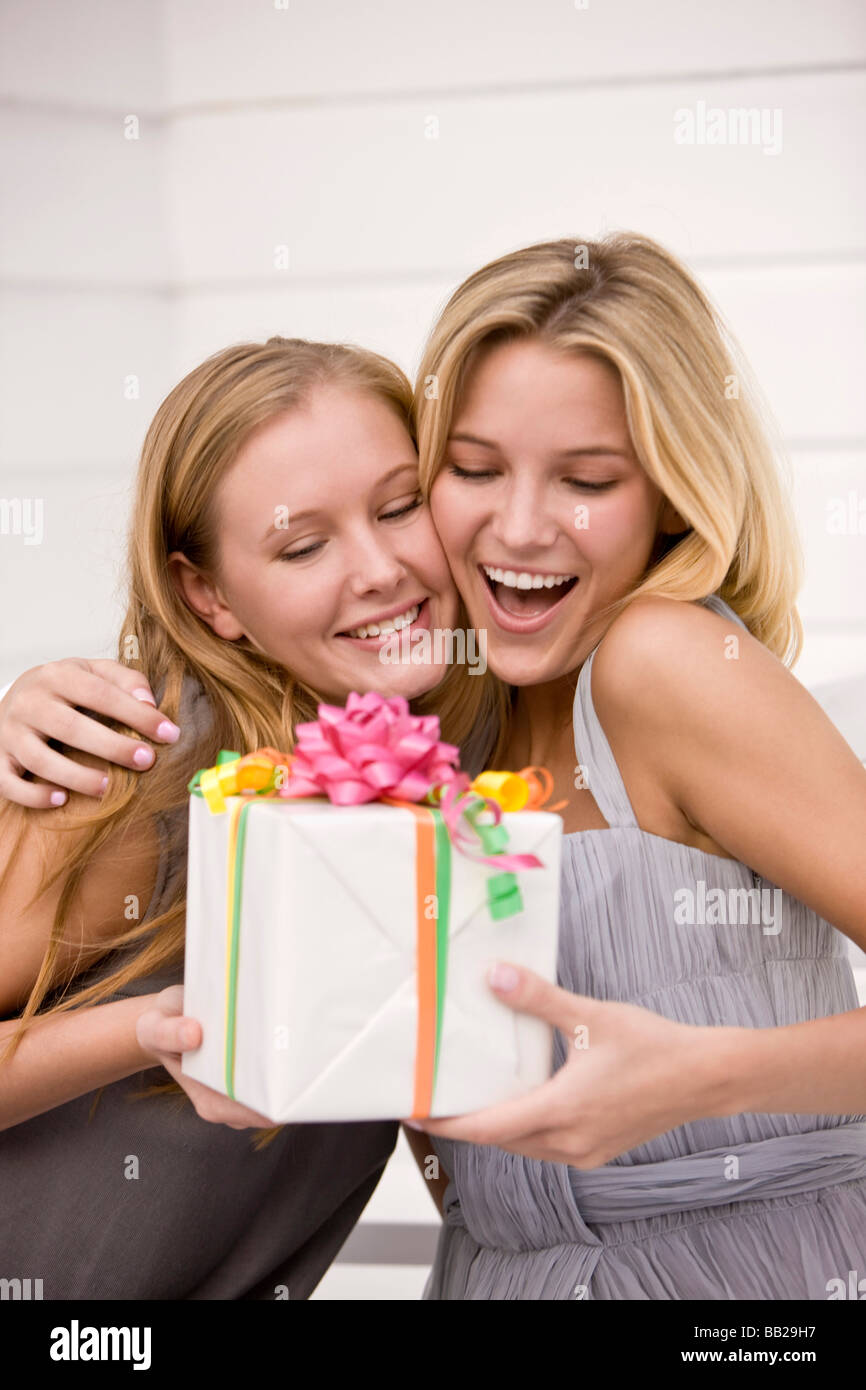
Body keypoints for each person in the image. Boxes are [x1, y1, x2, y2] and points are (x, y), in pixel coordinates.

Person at [5, 233, 866, 1300]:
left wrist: (704, 1080)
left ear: (672, 493)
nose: (514, 527)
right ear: (208, 593)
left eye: (587, 478)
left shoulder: (646, 666)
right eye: (467, 471)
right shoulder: (426, 734)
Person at [0, 335, 484, 1298]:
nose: (381, 567)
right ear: (207, 594)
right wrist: (155, 1029)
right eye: (304, 545)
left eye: (400, 506)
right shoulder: (135, 763)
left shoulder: (454, 766)